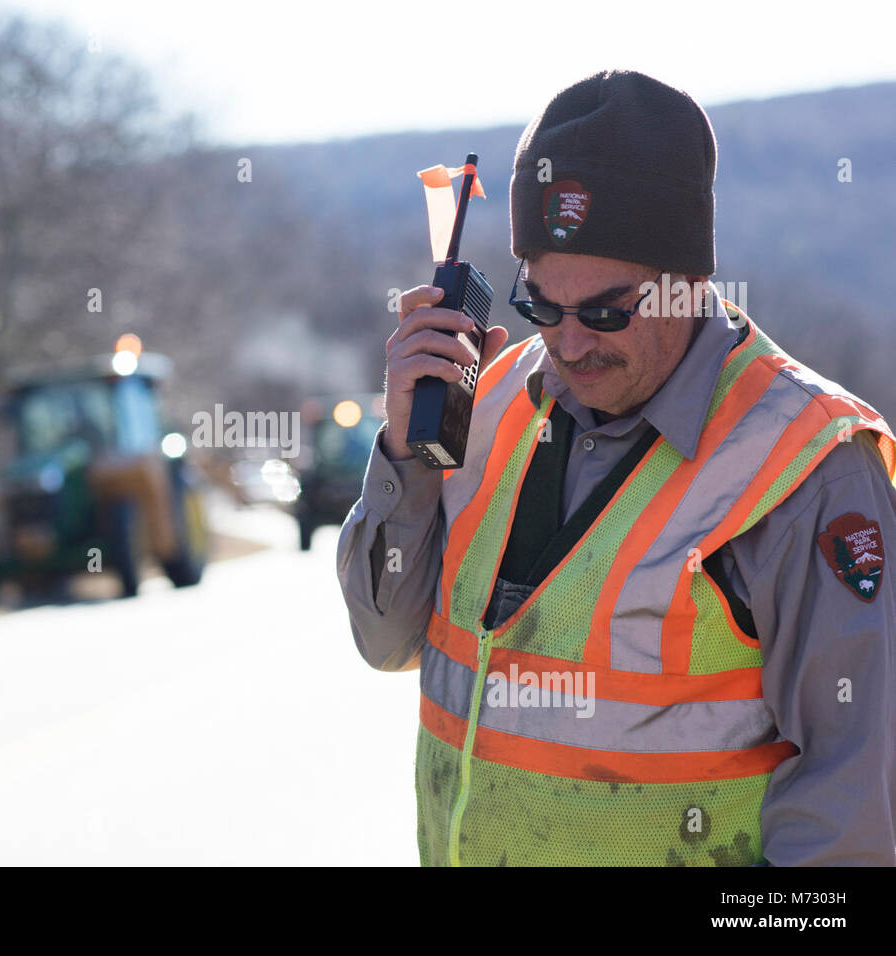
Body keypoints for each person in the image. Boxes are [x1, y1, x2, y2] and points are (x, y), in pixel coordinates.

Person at [336, 69, 896, 866]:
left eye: (606, 311)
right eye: (541, 305)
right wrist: (407, 457)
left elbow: (854, 814)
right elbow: (384, 640)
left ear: (690, 283)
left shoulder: (813, 469)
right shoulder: (483, 402)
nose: (569, 344)